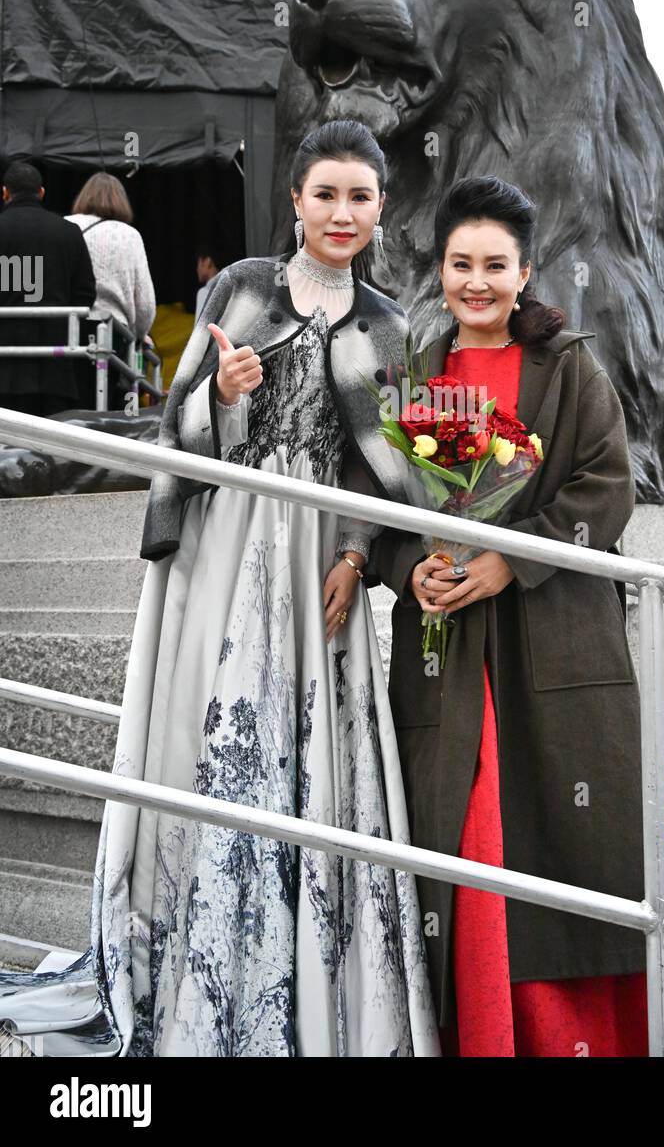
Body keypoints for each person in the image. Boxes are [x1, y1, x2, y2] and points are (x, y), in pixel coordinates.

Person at [0, 122, 439, 1058]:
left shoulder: (391, 326)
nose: (342, 213)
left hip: (324, 556)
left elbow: (386, 474)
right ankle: (195, 967)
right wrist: (223, 395)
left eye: (360, 197)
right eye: (326, 194)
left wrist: (356, 556)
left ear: (380, 208)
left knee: (320, 762)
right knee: (206, 740)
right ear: (295, 201)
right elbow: (178, 421)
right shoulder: (238, 288)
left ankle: (313, 988)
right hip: (224, 542)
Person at [371, 176, 664, 1058]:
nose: (475, 282)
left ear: (524, 274)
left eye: (494, 265)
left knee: (571, 851)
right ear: (438, 269)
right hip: (451, 654)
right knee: (470, 838)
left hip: (552, 639)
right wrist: (414, 572)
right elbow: (378, 513)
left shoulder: (568, 367)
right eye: (459, 263)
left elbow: (607, 492)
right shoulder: (420, 375)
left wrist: (503, 561)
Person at [0, 161, 96, 417]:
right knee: (51, 452)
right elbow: (85, 295)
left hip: (3, 367)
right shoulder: (69, 232)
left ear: (5, 193)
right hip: (55, 370)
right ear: (41, 192)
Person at [66, 172, 156, 409]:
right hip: (114, 333)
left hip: (67, 328)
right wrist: (139, 334)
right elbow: (145, 303)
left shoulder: (65, 226)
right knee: (105, 406)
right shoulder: (129, 236)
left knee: (70, 405)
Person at [194, 246, 223, 319]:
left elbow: (199, 329)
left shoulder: (205, 292)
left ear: (208, 261)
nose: (197, 269)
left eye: (198, 264)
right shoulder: (233, 287)